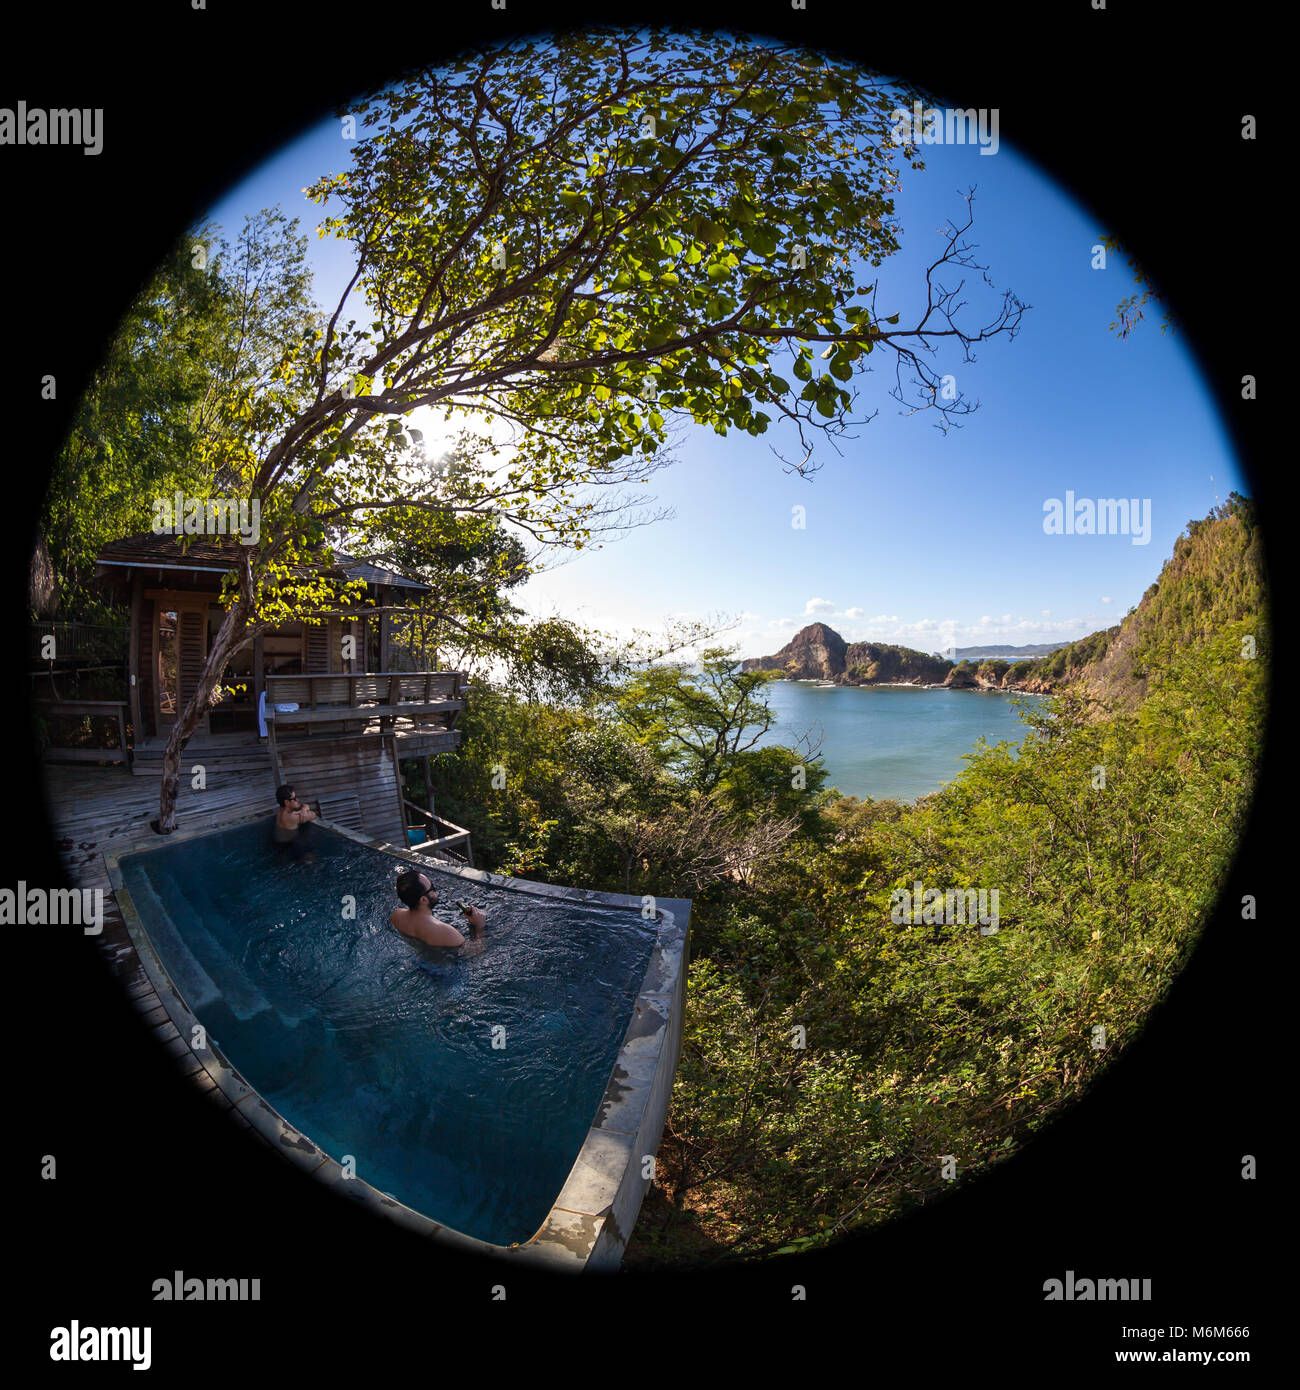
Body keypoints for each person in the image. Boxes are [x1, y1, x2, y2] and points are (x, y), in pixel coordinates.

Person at [390, 869, 486, 955]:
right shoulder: (446, 932)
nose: (436, 890)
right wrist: (479, 926)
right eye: (432, 888)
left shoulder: (396, 916)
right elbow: (476, 951)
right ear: (423, 900)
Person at [273, 784, 318, 860]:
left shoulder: (280, 810)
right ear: (287, 802)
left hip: (281, 845)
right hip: (292, 847)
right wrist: (304, 811)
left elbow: (304, 805)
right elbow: (313, 815)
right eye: (294, 798)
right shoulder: (291, 817)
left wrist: (303, 810)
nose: (297, 800)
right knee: (312, 859)